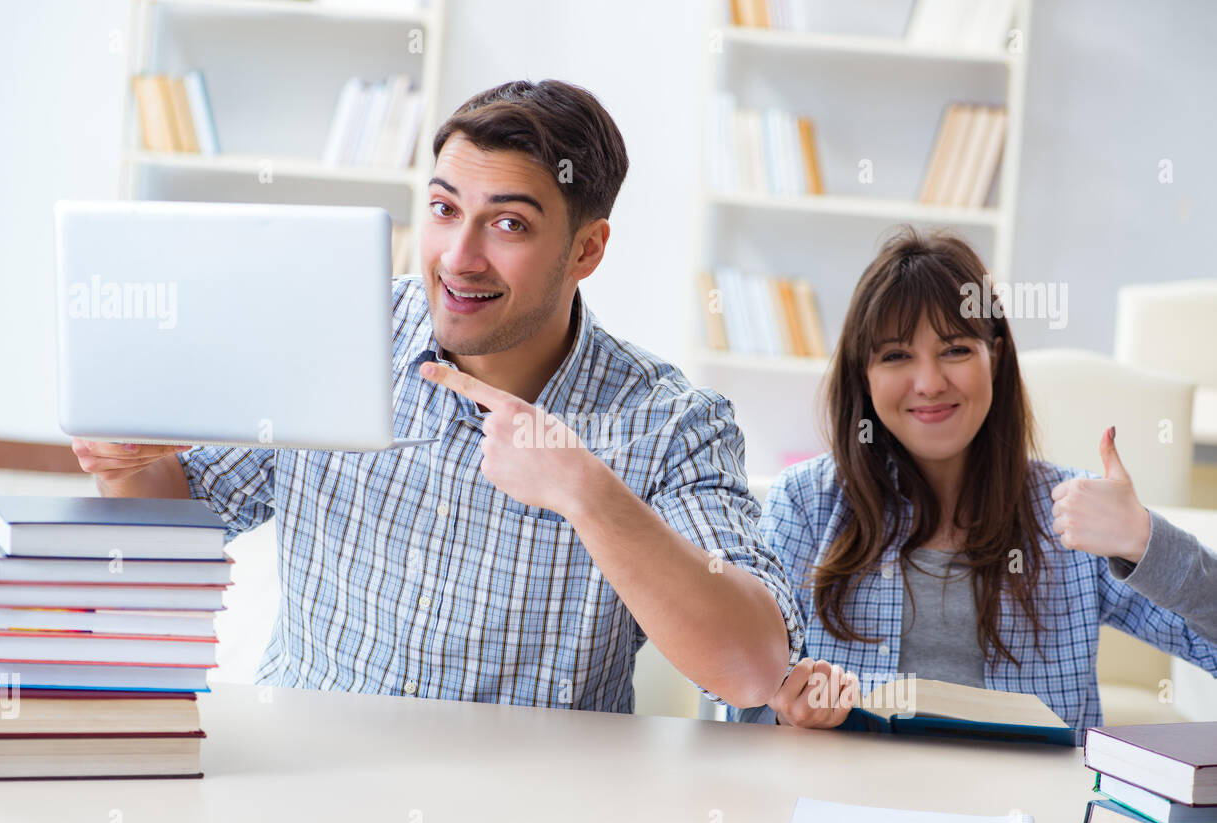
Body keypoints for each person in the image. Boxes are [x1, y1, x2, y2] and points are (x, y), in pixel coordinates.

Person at [72, 79, 804, 713]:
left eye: (509, 224)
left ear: (587, 249)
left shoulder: (671, 422)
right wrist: (126, 464)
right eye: (446, 210)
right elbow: (188, 523)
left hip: (521, 814)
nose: (459, 257)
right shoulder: (341, 330)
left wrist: (588, 493)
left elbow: (754, 667)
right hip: (309, 771)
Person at [735, 228, 1217, 735]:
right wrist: (787, 712)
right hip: (849, 801)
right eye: (896, 356)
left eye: (955, 350)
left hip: (1031, 810)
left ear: (997, 356)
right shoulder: (806, 503)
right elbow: (737, 707)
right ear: (865, 376)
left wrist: (1144, 541)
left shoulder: (1072, 514)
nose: (929, 383)